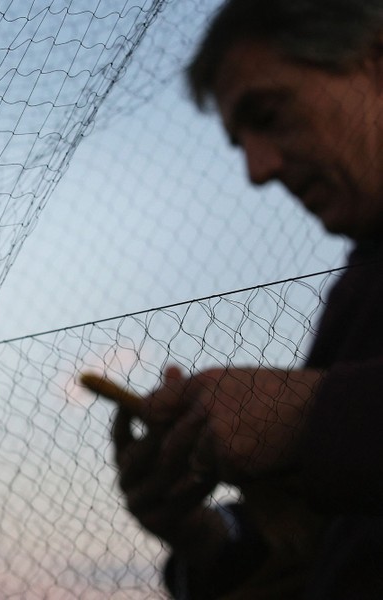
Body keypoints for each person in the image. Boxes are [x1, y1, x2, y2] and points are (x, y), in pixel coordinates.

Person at [111, 0, 383, 598]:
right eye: (241, 142)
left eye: (270, 114)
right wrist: (199, 533)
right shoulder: (361, 290)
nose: (258, 170)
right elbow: (332, 546)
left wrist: (314, 417)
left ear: (373, 62)